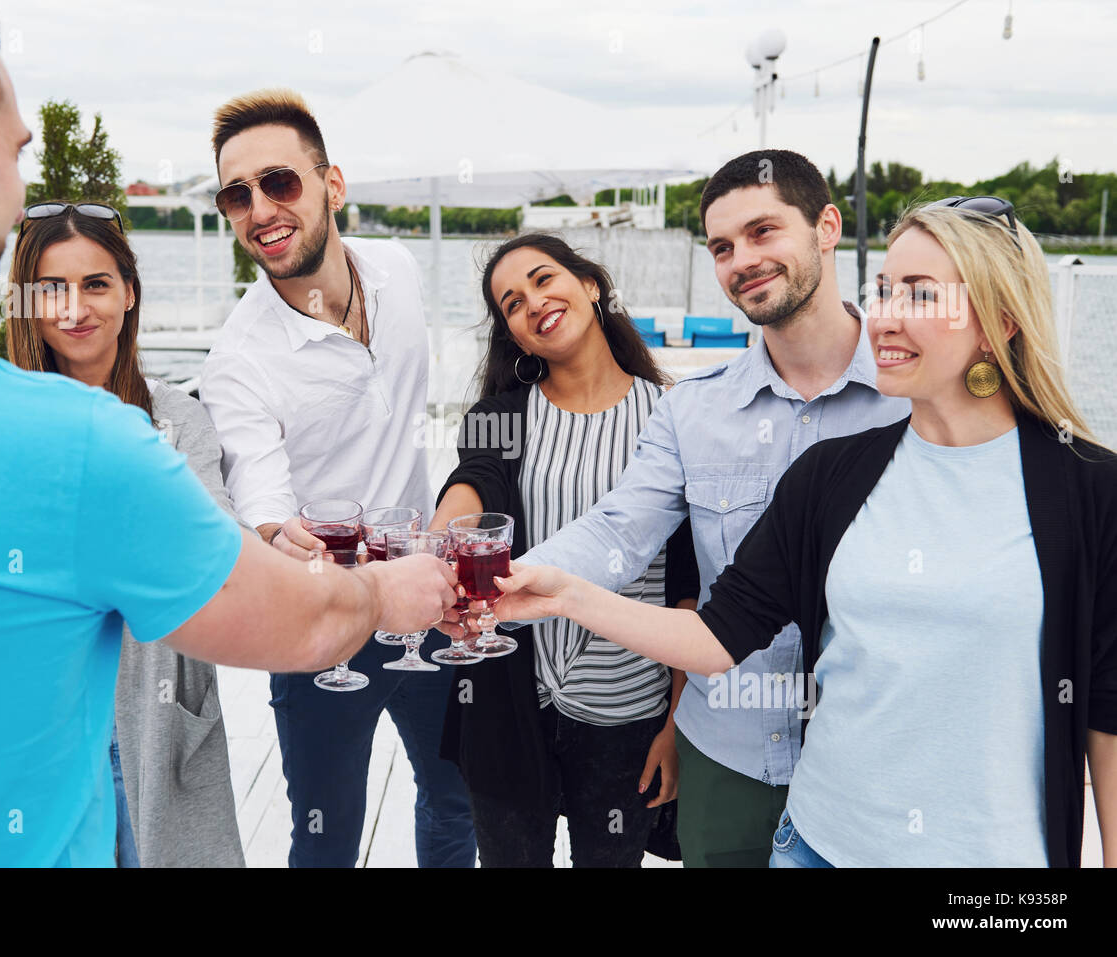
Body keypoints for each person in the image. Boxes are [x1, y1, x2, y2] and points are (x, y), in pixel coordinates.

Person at [0, 0, 456, 867]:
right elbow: (279, 603)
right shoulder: (79, 441)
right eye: (17, 150)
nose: (19, 188)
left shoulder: (393, 278)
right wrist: (386, 593)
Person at [487, 197, 1117, 868]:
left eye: (921, 294)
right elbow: (718, 632)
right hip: (816, 844)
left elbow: (1105, 713)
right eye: (884, 290)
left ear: (998, 321)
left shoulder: (1089, 491)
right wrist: (560, 592)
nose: (887, 317)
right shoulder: (834, 473)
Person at [487, 149, 911, 866]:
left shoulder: (915, 393)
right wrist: (520, 576)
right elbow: (621, 529)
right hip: (729, 760)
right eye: (721, 246)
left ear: (828, 226)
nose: (742, 258)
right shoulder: (692, 411)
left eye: (763, 231)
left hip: (880, 759)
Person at [199, 88, 476, 868]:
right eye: (236, 194)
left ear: (333, 185)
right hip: (326, 632)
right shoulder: (239, 363)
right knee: (326, 840)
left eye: (280, 182)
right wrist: (273, 536)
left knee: (454, 803)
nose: (260, 209)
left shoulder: (395, 268)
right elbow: (264, 509)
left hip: (430, 595)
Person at [430, 233, 699, 866]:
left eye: (545, 280)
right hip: (508, 703)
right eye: (512, 303)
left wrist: (678, 722)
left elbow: (690, 581)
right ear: (515, 337)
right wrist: (441, 540)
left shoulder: (674, 416)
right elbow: (477, 480)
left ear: (590, 285)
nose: (534, 303)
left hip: (628, 710)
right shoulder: (501, 415)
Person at [5, 202, 245, 867]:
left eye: (96, 283)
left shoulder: (178, 416)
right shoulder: (7, 419)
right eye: (52, 288)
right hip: (47, 721)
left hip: (159, 709)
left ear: (129, 291)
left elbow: (218, 543)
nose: (74, 307)